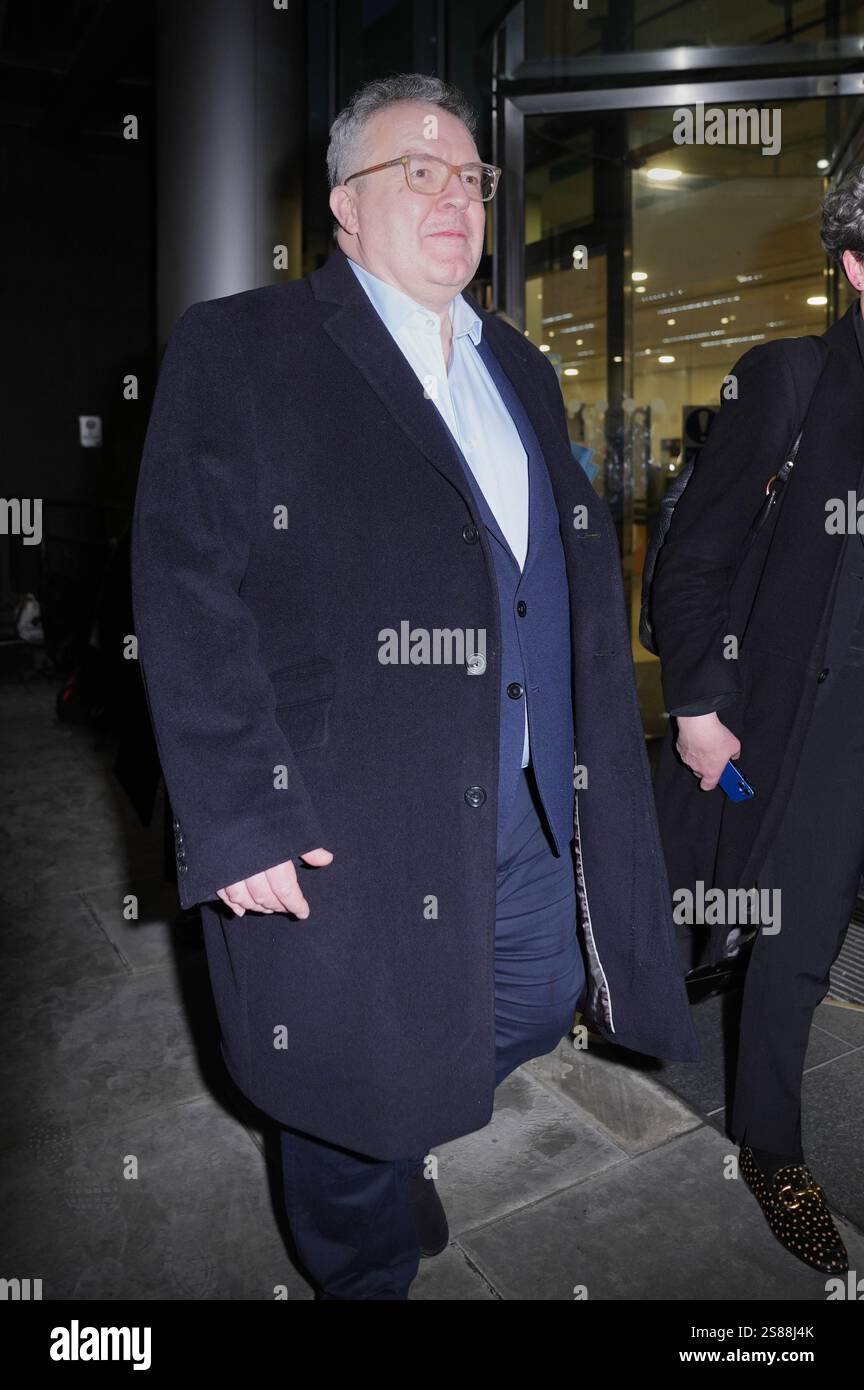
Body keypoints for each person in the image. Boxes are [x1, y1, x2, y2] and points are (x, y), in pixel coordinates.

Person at [132, 72, 698, 1301]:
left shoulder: (521, 366)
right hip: (346, 812)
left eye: (472, 177)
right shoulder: (244, 344)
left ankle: (403, 1128)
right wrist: (238, 810)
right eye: (418, 171)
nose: (457, 197)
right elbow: (182, 586)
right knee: (342, 1077)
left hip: (526, 809)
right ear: (346, 203)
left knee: (541, 997)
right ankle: (366, 1252)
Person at [651, 163, 864, 1276]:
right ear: (858, 264)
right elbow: (693, 556)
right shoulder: (790, 381)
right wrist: (698, 703)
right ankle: (772, 1150)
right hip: (820, 724)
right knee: (795, 946)